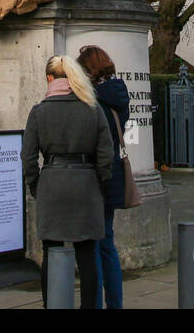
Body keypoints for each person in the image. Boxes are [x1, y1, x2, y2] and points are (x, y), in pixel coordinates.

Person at [23, 54, 113, 308]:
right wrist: (101, 181)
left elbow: (28, 156)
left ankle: (51, 304)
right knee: (87, 257)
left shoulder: (39, 112)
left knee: (51, 254)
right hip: (86, 182)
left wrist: (35, 184)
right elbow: (106, 153)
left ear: (49, 79)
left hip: (52, 182)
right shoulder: (92, 108)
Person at [77, 44, 129, 309]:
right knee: (107, 243)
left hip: (95, 177)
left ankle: (94, 304)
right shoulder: (119, 95)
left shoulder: (93, 101)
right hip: (114, 177)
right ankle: (115, 304)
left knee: (92, 247)